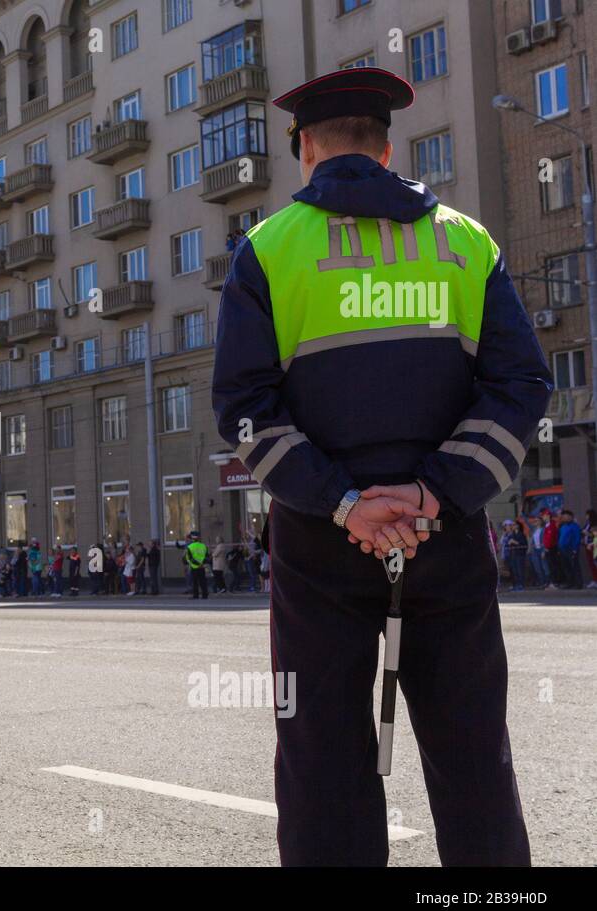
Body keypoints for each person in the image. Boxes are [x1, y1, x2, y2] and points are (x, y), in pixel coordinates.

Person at [212, 67, 550, 865]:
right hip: (447, 540)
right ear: (387, 146)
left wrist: (345, 503)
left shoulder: (266, 251)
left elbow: (245, 411)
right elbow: (522, 385)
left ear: (305, 151)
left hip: (321, 550)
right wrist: (433, 493)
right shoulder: (466, 242)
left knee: (322, 759)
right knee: (472, 756)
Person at [176, 530, 208, 599]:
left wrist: (196, 564)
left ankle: (195, 595)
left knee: (195, 582)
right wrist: (202, 563)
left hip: (194, 567)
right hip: (202, 567)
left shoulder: (190, 547)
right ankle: (205, 595)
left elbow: (189, 558)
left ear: (192, 538)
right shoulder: (203, 546)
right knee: (203, 581)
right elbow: (207, 556)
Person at [558, 510, 583, 589]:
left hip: (571, 549)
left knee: (575, 567)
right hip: (562, 550)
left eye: (566, 516)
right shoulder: (563, 526)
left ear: (570, 517)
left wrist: (575, 549)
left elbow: (577, 538)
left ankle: (578, 584)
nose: (564, 518)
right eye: (563, 517)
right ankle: (570, 583)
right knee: (566, 567)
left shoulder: (575, 526)